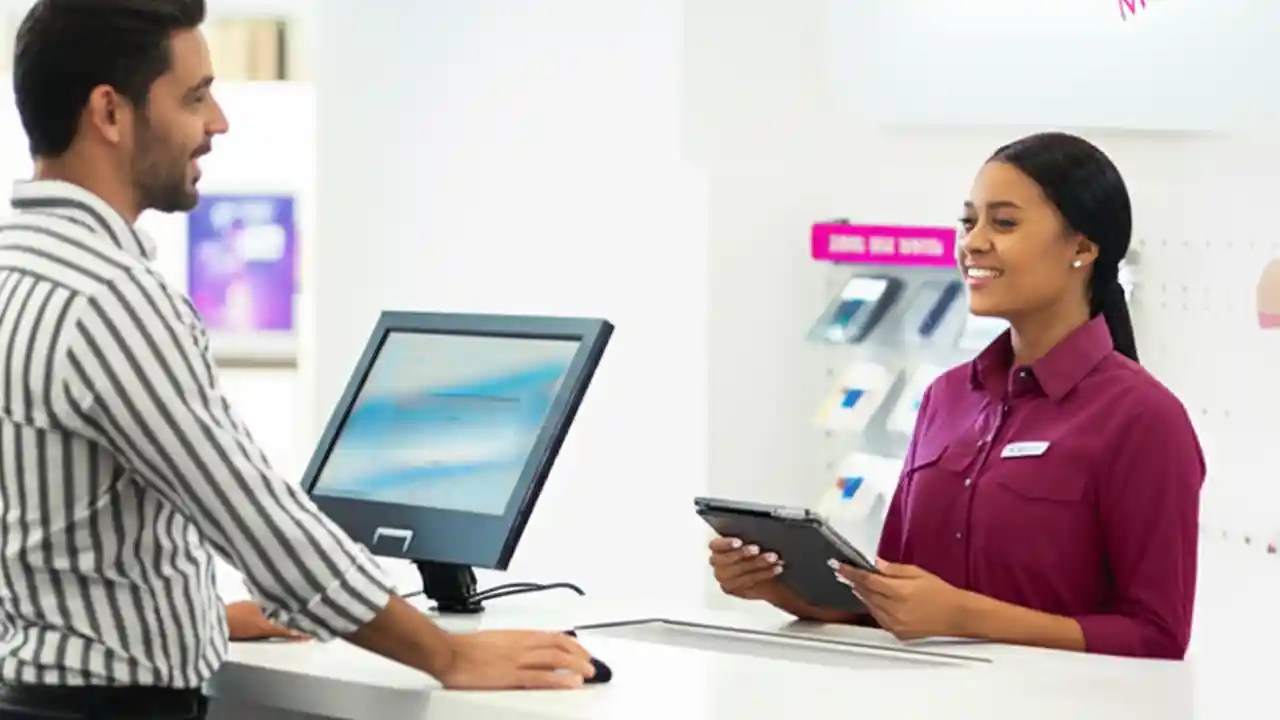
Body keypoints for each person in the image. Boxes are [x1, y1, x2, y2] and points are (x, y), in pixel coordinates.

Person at [0, 1, 593, 717]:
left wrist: (202, 615)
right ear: (110, 112)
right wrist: (452, 653)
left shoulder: (16, 275)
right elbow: (260, 522)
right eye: (195, 97)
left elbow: (49, 535)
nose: (217, 122)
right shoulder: (112, 301)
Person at [708, 131, 1206, 661]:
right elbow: (896, 602)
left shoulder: (1144, 418)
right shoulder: (947, 396)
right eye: (969, 221)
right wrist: (783, 590)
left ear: (1081, 248)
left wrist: (963, 615)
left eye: (1004, 222)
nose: (973, 242)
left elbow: (1157, 637)